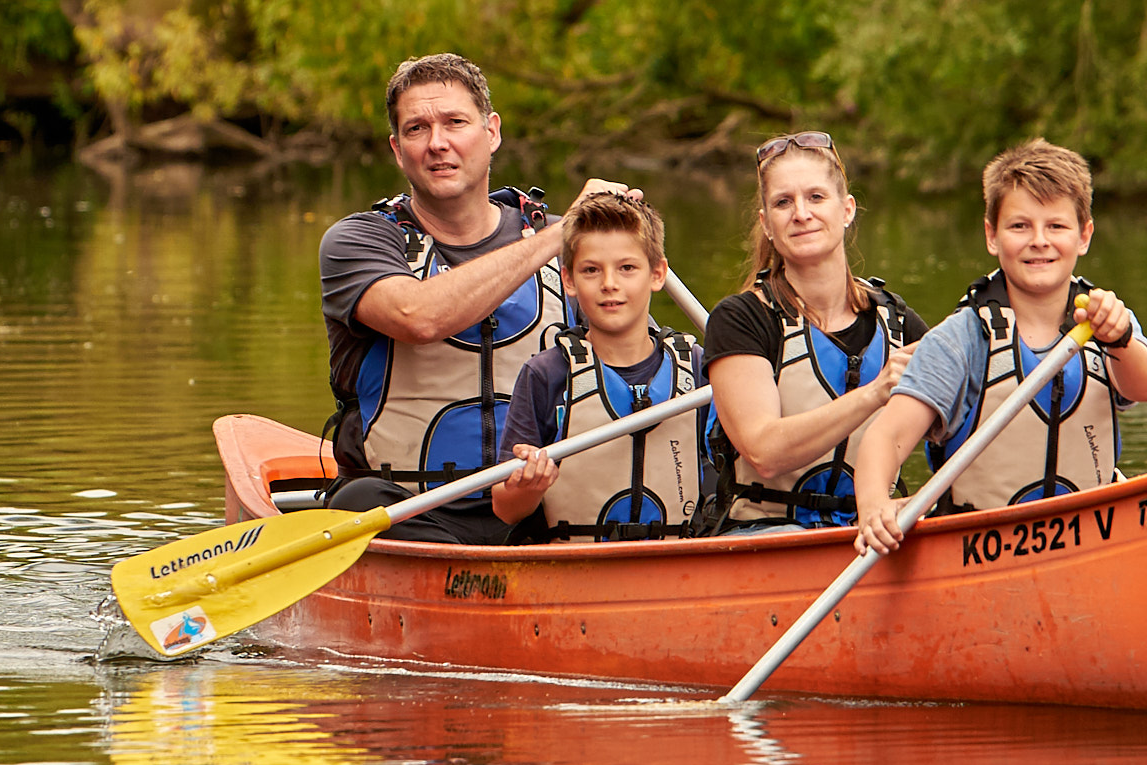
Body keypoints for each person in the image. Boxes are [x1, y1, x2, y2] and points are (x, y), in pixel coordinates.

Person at [319, 52, 637, 543]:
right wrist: (562, 235)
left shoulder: (577, 246)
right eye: (417, 129)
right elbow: (418, 317)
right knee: (357, 502)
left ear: (491, 132)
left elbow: (639, 362)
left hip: (541, 505)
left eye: (455, 122)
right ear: (398, 149)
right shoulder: (357, 241)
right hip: (404, 508)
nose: (437, 143)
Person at [852, 139, 1147, 555]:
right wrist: (874, 507)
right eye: (1019, 226)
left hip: (1091, 543)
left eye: (1056, 226)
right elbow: (886, 436)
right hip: (982, 551)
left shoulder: (1106, 319)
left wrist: (1120, 338)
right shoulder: (960, 339)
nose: (1039, 241)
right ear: (992, 236)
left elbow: (1145, 387)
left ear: (1084, 236)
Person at [696, 131, 929, 536]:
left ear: (847, 210)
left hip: (872, 528)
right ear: (767, 225)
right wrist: (875, 392)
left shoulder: (898, 321)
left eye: (816, 197)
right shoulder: (739, 320)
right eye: (783, 203)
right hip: (766, 534)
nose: (801, 214)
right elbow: (764, 451)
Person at [490, 194, 713, 542]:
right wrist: (528, 488)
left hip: (675, 561)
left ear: (657, 274)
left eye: (627, 268)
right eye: (591, 270)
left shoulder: (697, 366)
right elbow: (505, 508)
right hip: (576, 563)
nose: (609, 283)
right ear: (568, 280)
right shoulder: (546, 374)